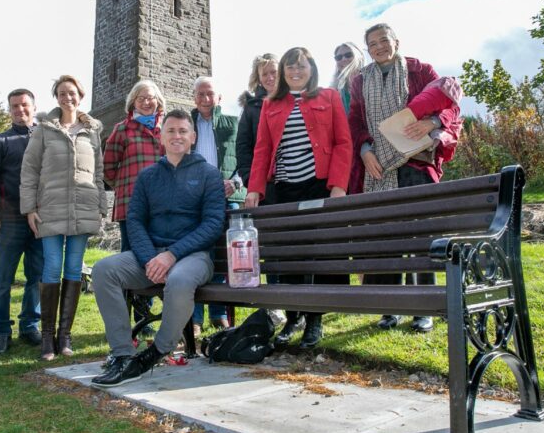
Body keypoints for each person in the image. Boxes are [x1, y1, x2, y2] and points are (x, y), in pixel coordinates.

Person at [91, 109, 225, 388]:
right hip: (152, 256)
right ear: (161, 137)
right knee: (104, 269)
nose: (177, 136)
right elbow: (136, 221)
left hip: (193, 257)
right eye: (171, 131)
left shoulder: (209, 174)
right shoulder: (147, 176)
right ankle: (123, 355)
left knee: (178, 280)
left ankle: (155, 352)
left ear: (193, 137)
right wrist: (151, 258)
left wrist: (172, 254)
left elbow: (212, 225)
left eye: (183, 131)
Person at [348, 23, 462, 332]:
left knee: (421, 237)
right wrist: (365, 150)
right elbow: (356, 122)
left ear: (395, 41)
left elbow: (449, 103)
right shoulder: (359, 82)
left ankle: (424, 307)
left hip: (415, 163)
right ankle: (392, 307)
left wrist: (432, 122)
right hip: (379, 168)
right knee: (386, 239)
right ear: (368, 50)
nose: (379, 47)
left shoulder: (419, 69)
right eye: (372, 44)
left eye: (384, 40)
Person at [245, 47, 352, 349]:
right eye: (290, 67)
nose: (295, 71)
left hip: (319, 185)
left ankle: (314, 320)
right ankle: (294, 317)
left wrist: (338, 185)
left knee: (317, 254)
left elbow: (343, 143)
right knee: (288, 254)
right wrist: (255, 188)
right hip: (284, 187)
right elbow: (262, 149)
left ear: (311, 68)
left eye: (301, 66)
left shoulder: (328, 97)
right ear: (283, 72)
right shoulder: (270, 104)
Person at [20, 75, 106, 361]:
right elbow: (30, 170)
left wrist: (101, 208)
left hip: (83, 207)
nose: (67, 97)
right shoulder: (43, 129)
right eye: (61, 93)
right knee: (52, 266)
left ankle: (64, 335)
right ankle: (47, 336)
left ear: (80, 96)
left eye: (71, 92)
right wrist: (30, 208)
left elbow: (99, 174)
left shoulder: (92, 131)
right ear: (55, 97)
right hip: (51, 208)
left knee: (73, 268)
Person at [103, 80, 166, 334]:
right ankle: (125, 319)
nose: (146, 101)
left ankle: (145, 316)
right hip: (131, 207)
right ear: (133, 103)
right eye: (141, 98)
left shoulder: (167, 128)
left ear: (158, 100)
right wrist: (127, 186)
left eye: (150, 97)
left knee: (156, 259)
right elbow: (108, 168)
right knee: (131, 261)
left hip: (163, 207)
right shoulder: (122, 129)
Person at [0, 89, 44, 356]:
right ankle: (1, 331)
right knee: (2, 279)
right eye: (15, 106)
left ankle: (30, 324)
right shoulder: (0, 142)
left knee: (37, 276)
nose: (20, 110)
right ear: (10, 110)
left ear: (33, 106)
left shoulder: (46, 137)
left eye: (24, 105)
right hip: (10, 221)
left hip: (42, 220)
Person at [189, 76, 244, 336]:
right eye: (200, 94)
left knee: (225, 256)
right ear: (194, 98)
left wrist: (236, 181)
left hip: (228, 195)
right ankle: (195, 318)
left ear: (219, 97)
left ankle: (219, 312)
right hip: (197, 199)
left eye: (210, 94)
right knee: (199, 256)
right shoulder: (186, 126)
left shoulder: (233, 123)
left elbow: (245, 158)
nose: (205, 99)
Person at [236, 53, 279, 202]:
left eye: (273, 72)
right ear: (259, 78)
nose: (270, 77)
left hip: (296, 182)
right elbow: (243, 147)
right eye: (265, 74)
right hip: (266, 186)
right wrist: (250, 180)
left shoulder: (296, 101)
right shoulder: (251, 108)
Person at [331, 42, 365, 115]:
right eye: (338, 57)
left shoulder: (369, 80)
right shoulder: (334, 90)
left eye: (348, 55)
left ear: (359, 56)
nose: (343, 59)